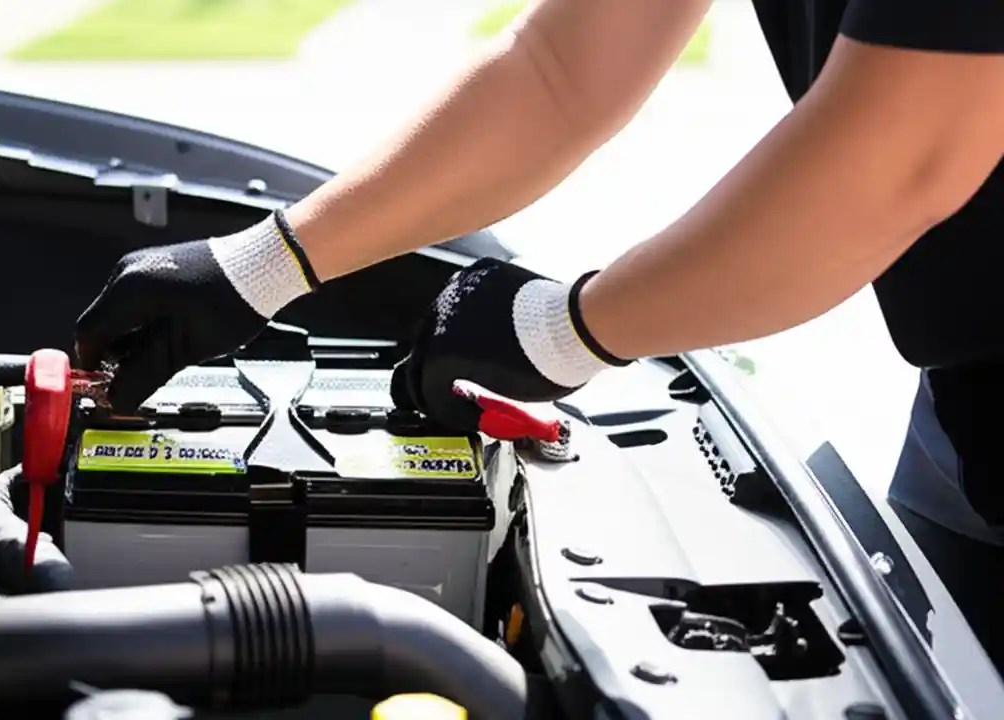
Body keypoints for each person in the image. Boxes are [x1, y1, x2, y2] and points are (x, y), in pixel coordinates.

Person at [75, 0, 1004, 663]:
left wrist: (565, 331)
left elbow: (901, 156)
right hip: (966, 424)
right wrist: (263, 265)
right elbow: (562, 70)